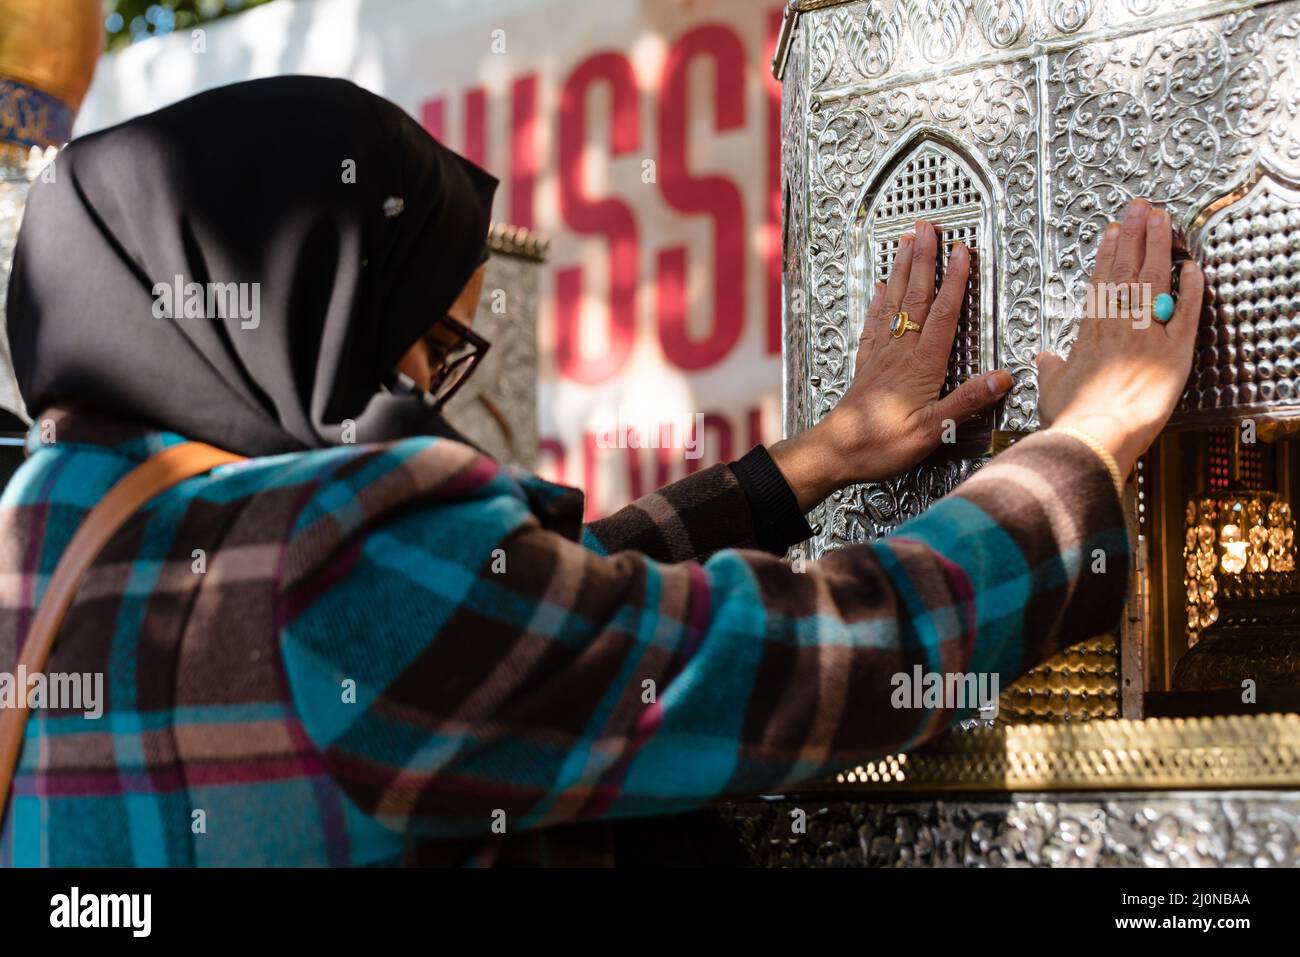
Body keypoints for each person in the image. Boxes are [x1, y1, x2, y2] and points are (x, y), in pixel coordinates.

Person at [0, 76, 1202, 867]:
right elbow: (783, 675)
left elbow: (510, 638)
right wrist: (1079, 452)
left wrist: (813, 462)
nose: (426, 390)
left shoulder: (47, 539)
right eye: (426, 339)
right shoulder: (327, 561)